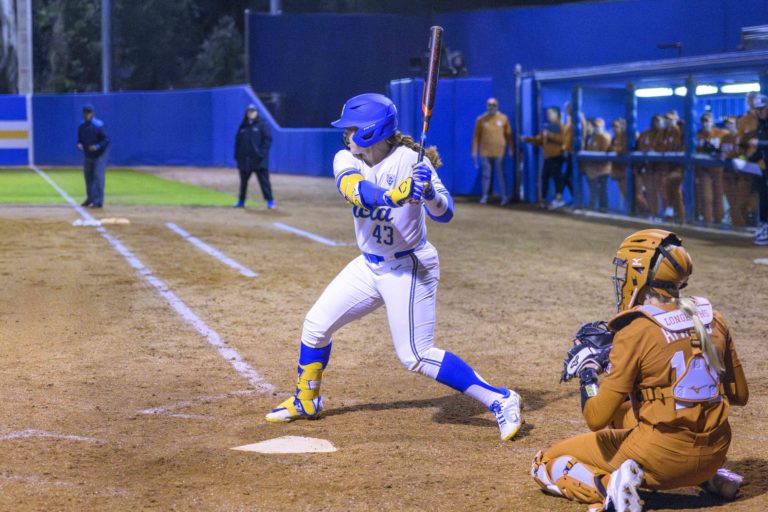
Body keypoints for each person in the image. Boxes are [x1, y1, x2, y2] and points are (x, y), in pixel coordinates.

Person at [265, 93, 523, 441]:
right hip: (369, 265)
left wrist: (427, 191)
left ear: (372, 131)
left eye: (353, 128)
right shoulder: (346, 158)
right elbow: (356, 191)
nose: (347, 135)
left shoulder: (412, 162)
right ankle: (307, 400)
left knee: (415, 355)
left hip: (410, 267)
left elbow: (445, 213)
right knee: (315, 326)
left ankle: (501, 399)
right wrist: (395, 194)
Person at [531, 228, 749, 512]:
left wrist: (587, 373)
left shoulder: (637, 329)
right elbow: (740, 395)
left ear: (640, 274)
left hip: (662, 459)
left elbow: (596, 418)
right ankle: (712, 478)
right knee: (625, 409)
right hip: (715, 451)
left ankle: (611, 488)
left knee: (544, 463)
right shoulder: (713, 318)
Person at [471, 97, 513, 205]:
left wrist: (511, 149)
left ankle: (504, 197)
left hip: (499, 152)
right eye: (490, 105)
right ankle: (485, 196)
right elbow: (476, 136)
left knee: (501, 175)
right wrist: (474, 151)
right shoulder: (481, 120)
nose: (491, 108)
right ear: (487, 106)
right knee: (486, 175)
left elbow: (509, 135)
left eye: (493, 105)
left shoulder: (503, 118)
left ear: (497, 106)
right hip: (485, 152)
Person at [523, 107, 565, 209]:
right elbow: (539, 139)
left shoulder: (561, 126)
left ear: (557, 114)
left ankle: (559, 200)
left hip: (557, 156)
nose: (548, 115)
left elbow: (563, 140)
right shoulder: (548, 127)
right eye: (548, 114)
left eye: (551, 113)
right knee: (544, 178)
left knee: (557, 178)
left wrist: (549, 135)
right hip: (547, 157)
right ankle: (543, 200)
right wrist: (527, 139)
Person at [234, 104, 274, 209]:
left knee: (264, 182)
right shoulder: (243, 126)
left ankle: (270, 201)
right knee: (243, 182)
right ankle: (241, 201)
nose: (251, 113)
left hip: (259, 160)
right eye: (249, 111)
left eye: (253, 111)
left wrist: (261, 154)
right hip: (245, 160)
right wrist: (237, 156)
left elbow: (267, 140)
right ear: (246, 113)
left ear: (257, 112)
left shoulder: (262, 124)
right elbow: (238, 142)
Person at [695, 112, 726, 225]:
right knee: (706, 197)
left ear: (712, 121)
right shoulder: (698, 135)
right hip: (704, 169)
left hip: (718, 169)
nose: (705, 123)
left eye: (707, 120)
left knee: (718, 195)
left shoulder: (722, 133)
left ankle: (719, 221)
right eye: (703, 120)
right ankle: (708, 222)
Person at [720, 116, 752, 227]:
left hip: (741, 175)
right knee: (733, 203)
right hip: (728, 174)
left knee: (742, 203)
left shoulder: (743, 138)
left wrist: (733, 156)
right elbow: (721, 153)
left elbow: (746, 156)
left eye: (731, 123)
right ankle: (737, 227)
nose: (728, 125)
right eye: (727, 123)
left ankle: (744, 226)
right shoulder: (724, 138)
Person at [77, 104, 110, 208]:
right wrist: (79, 144)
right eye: (85, 113)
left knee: (98, 176)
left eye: (89, 113)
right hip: (88, 154)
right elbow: (80, 139)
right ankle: (90, 198)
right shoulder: (81, 126)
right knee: (88, 177)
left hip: (100, 155)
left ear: (92, 113)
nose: (87, 115)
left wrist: (97, 146)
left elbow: (106, 140)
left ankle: (98, 201)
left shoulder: (98, 125)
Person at [746, 95, 768, 245]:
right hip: (765, 166)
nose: (759, 112)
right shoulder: (761, 124)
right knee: (764, 196)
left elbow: (762, 144)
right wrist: (747, 159)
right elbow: (761, 151)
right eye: (757, 109)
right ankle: (765, 225)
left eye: (762, 109)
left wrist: (758, 142)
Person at [658, 111, 685, 223]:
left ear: (676, 119)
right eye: (666, 119)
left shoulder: (679, 131)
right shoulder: (663, 132)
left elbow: (681, 148)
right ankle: (671, 214)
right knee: (668, 190)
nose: (668, 121)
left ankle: (681, 216)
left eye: (670, 119)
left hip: (679, 166)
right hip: (667, 166)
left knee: (675, 190)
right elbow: (657, 146)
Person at [582, 118, 612, 212]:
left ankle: (603, 208)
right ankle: (592, 207)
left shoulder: (605, 137)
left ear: (602, 126)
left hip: (602, 169)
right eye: (595, 126)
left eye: (598, 126)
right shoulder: (592, 137)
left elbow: (604, 154)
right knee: (593, 190)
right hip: (592, 169)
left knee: (602, 190)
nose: (596, 128)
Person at [609, 118, 629, 205]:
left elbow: (623, 150)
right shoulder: (616, 137)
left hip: (628, 169)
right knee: (624, 193)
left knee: (633, 194)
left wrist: (616, 150)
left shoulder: (630, 135)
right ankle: (631, 213)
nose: (615, 128)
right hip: (618, 169)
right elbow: (610, 149)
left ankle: (643, 213)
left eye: (622, 125)